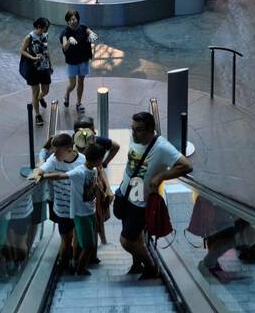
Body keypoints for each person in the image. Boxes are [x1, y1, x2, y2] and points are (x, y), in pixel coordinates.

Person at [117, 111, 192, 280]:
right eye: (132, 128)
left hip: (141, 203)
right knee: (134, 235)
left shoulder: (162, 147)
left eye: (139, 130)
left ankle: (151, 267)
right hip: (126, 193)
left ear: (151, 130)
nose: (134, 133)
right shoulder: (135, 138)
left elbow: (186, 166)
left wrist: (160, 176)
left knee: (126, 241)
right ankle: (136, 265)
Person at [30, 132, 85, 271]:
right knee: (66, 240)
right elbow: (42, 169)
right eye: (54, 152)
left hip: (79, 207)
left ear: (69, 149)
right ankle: (65, 264)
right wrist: (38, 174)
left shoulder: (82, 160)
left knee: (78, 238)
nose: (55, 155)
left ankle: (76, 263)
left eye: (58, 152)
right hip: (62, 209)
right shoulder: (54, 159)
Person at [72, 115, 120, 260]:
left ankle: (86, 252)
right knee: (94, 215)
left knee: (87, 217)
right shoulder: (97, 141)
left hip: (83, 187)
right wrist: (104, 164)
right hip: (93, 187)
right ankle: (93, 251)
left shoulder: (72, 143)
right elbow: (115, 147)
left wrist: (103, 164)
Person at [60, 10, 95, 112]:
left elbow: (88, 31)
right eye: (70, 20)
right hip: (72, 62)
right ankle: (67, 94)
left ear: (77, 19)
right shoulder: (65, 33)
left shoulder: (83, 28)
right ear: (67, 21)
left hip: (83, 60)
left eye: (74, 19)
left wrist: (92, 33)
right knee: (72, 84)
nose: (72, 21)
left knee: (81, 82)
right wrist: (69, 41)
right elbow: (64, 48)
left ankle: (79, 103)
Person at [20, 17, 52, 125]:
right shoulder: (29, 37)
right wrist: (33, 58)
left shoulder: (45, 35)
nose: (47, 29)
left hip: (44, 67)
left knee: (46, 90)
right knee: (35, 91)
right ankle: (37, 115)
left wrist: (50, 65)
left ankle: (40, 99)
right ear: (39, 26)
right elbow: (22, 51)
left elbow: (47, 51)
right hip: (34, 68)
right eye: (45, 27)